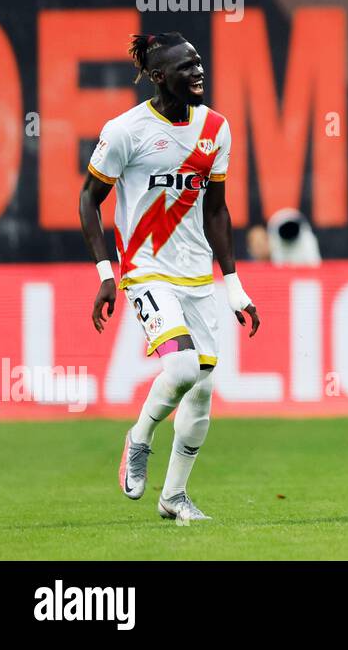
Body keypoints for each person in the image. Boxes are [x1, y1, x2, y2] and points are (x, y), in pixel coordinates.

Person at [78, 32, 260, 523]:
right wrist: (106, 273)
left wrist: (234, 285)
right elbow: (89, 200)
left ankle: (174, 497)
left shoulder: (216, 128)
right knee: (180, 370)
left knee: (202, 392)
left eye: (199, 63)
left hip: (197, 276)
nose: (198, 72)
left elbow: (217, 212)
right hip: (146, 270)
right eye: (186, 67)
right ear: (159, 77)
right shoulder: (125, 131)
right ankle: (138, 437)